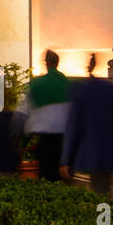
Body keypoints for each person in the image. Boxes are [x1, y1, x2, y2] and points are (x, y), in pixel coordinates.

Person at [60, 53, 113, 196]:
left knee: (92, 195)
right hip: (109, 153)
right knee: (103, 193)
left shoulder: (81, 90)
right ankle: (104, 217)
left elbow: (74, 126)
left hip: (89, 153)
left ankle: (101, 218)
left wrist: (66, 160)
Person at [25, 49, 71, 182]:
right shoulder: (67, 83)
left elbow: (25, 112)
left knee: (46, 175)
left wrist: (22, 139)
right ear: (57, 63)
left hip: (45, 140)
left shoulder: (38, 83)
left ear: (46, 63)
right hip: (62, 140)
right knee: (59, 178)